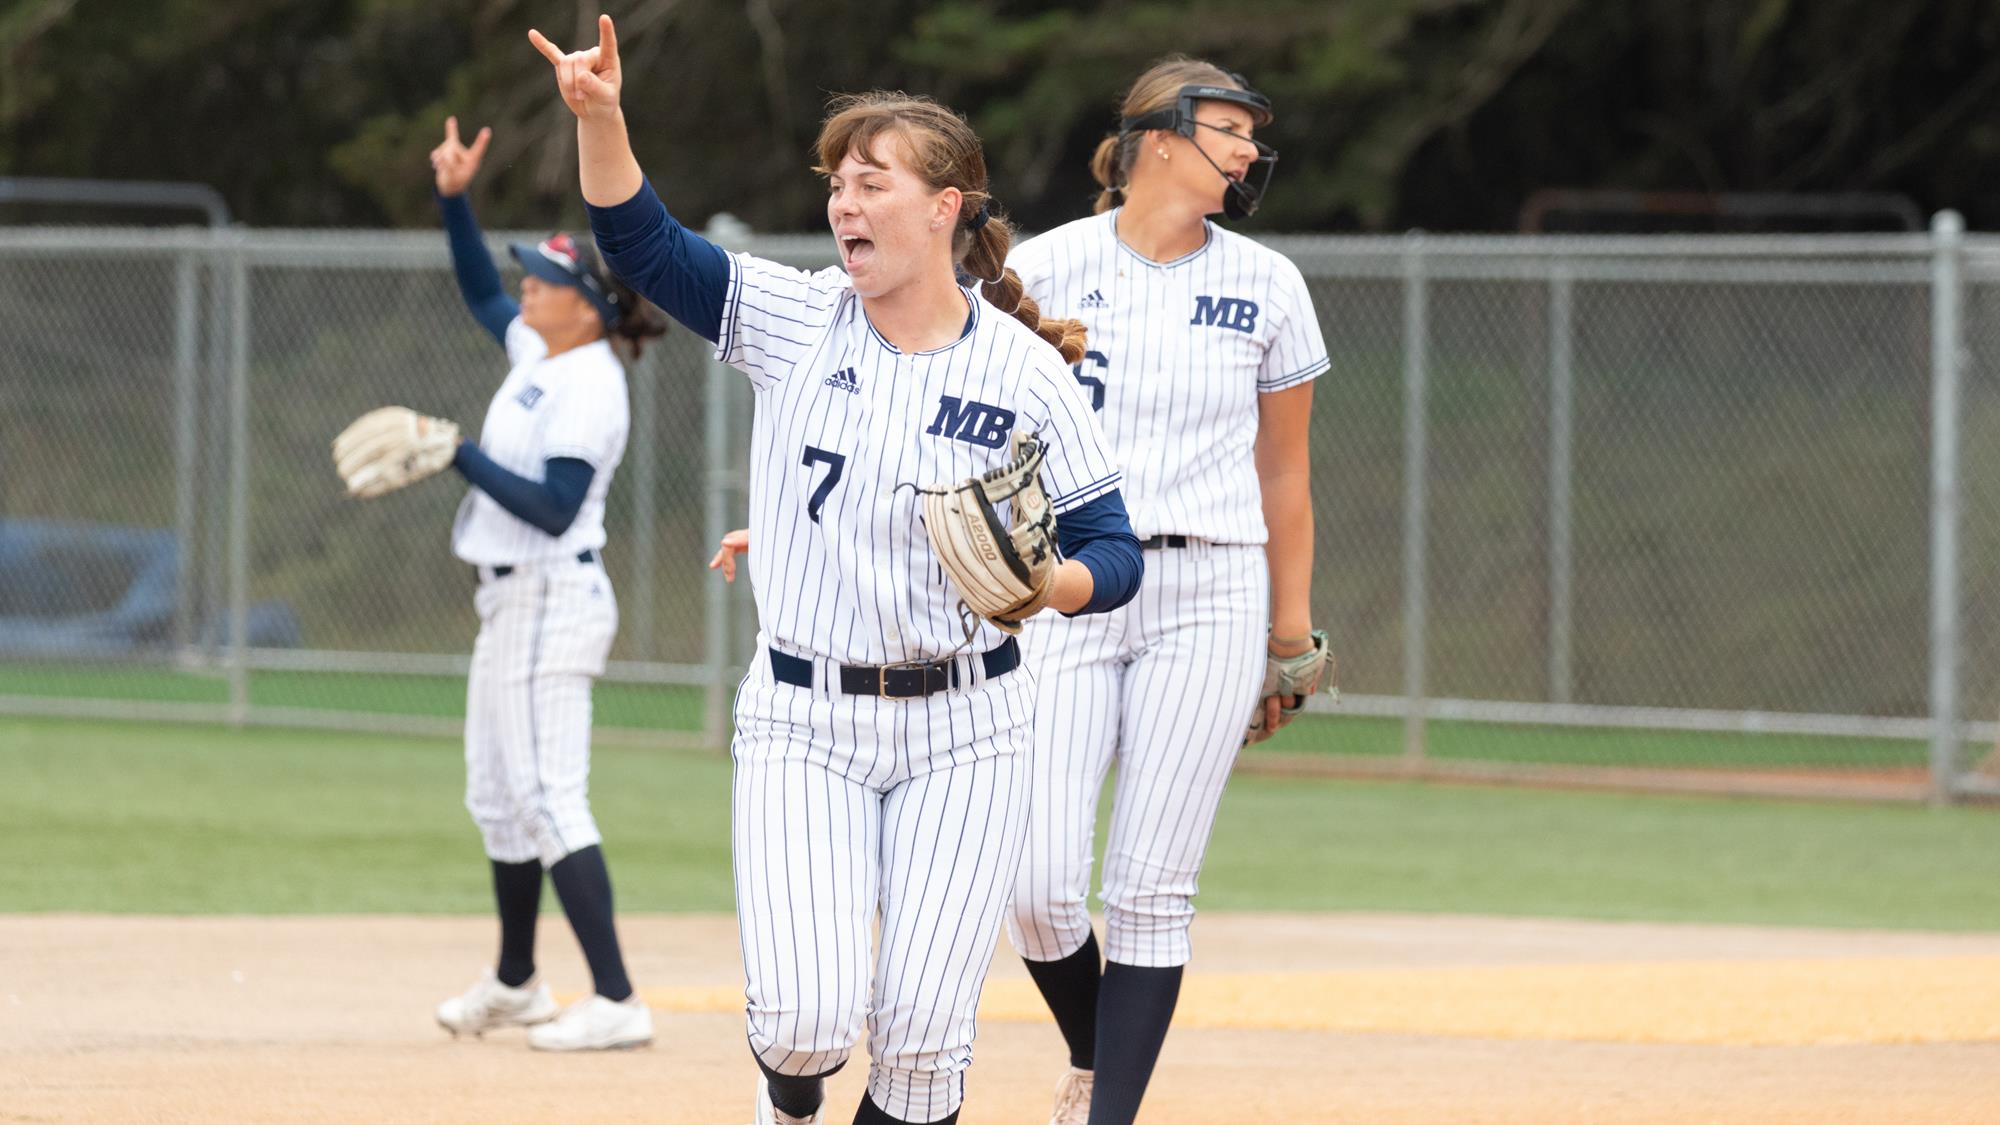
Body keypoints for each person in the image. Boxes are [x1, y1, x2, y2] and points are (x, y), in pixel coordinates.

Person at [529, 17, 1143, 1124]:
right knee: (804, 1027)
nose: (844, 205)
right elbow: (644, 247)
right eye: (837, 186)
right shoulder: (798, 317)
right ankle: (787, 1093)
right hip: (806, 720)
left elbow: (1114, 550)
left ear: (944, 208)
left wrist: (1046, 584)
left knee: (922, 1044)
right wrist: (603, 120)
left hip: (969, 728)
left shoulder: (1023, 370)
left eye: (871, 184)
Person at [1002, 59, 1333, 1124]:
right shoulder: (1043, 266)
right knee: (1035, 881)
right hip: (1071, 580)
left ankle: (1107, 1110)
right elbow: (971, 422)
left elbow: (1284, 472)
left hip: (1210, 586)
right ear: (1156, 137)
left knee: (1149, 888)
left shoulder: (1268, 282)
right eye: (1226, 129)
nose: (1246, 150)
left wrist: (1291, 635)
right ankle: (1096, 1054)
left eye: (1250, 135)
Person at [422, 114, 668, 1052]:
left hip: (550, 594)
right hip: (510, 602)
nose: (527, 284)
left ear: (590, 304)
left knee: (549, 794)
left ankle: (617, 998)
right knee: (498, 796)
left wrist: (458, 453)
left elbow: (557, 507)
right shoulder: (542, 352)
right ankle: (519, 980)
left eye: (547, 278)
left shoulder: (592, 382)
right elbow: (481, 290)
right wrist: (455, 199)